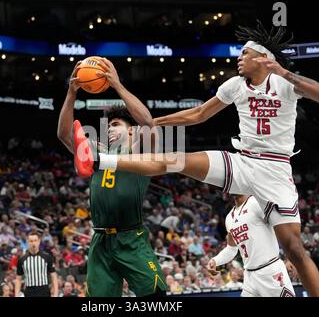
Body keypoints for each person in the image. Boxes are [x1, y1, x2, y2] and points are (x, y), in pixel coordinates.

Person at [73, 22, 319, 296]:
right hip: (243, 161)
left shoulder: (284, 83)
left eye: (245, 53)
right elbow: (199, 114)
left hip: (275, 169)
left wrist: (285, 73)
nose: (239, 58)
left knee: (294, 249)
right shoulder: (235, 85)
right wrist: (154, 122)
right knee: (173, 160)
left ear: (263, 58)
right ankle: (98, 160)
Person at [57, 61, 167, 297]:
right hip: (100, 240)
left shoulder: (139, 152)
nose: (109, 129)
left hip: (131, 237)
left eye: (116, 124)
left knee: (157, 297)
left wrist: (117, 85)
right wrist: (71, 92)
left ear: (130, 131)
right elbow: (64, 134)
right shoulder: (96, 154)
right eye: (109, 126)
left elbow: (148, 123)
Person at [207, 195, 295, 296]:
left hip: (271, 271)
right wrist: (215, 260)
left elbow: (284, 224)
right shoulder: (229, 218)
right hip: (249, 276)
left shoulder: (257, 202)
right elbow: (231, 249)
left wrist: (291, 258)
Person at [15, 232, 58, 297]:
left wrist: (56, 293)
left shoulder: (47, 257)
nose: (33, 243)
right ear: (28, 242)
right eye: (31, 241)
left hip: (43, 290)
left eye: (35, 241)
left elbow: (54, 276)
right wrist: (16, 294)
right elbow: (18, 279)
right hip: (29, 291)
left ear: (39, 242)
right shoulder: (22, 260)